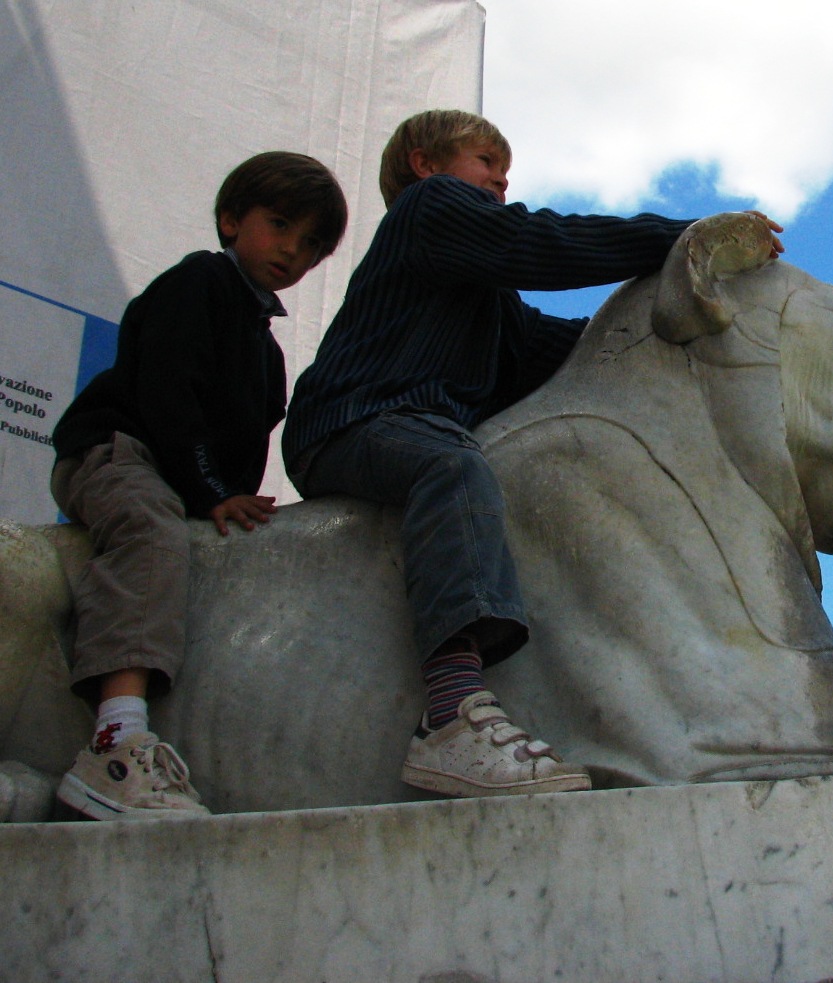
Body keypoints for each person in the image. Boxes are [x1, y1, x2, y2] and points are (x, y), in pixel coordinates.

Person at [282, 109, 782, 799]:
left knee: (478, 469)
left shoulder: (489, 305)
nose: (501, 178)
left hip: (412, 430)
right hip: (351, 421)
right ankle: (452, 718)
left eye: (505, 169)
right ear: (426, 165)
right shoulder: (429, 209)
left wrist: (674, 334)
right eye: (486, 161)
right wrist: (685, 242)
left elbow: (578, 351)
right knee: (452, 465)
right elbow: (532, 240)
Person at [50, 152, 349, 819]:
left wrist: (225, 500)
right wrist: (211, 490)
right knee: (151, 530)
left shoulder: (269, 356)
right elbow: (167, 394)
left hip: (185, 482)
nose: (292, 251)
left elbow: (245, 449)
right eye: (279, 225)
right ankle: (115, 744)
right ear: (230, 220)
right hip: (121, 451)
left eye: (311, 245)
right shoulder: (199, 282)